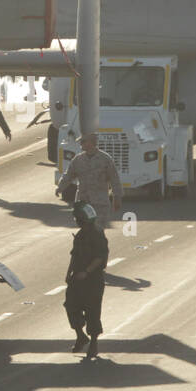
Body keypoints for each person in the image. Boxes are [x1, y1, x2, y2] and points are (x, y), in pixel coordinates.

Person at [65, 201, 109, 359]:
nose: (76, 221)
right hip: (77, 278)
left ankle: (94, 343)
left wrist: (86, 272)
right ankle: (80, 336)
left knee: (93, 311)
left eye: (77, 218)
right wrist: (69, 273)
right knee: (70, 305)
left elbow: (100, 257)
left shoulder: (97, 234)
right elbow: (74, 255)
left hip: (93, 280)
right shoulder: (80, 235)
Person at [57, 132, 123, 227]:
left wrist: (117, 197)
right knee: (84, 228)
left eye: (83, 141)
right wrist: (60, 188)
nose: (81, 144)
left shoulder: (105, 159)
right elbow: (68, 175)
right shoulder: (78, 160)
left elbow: (114, 179)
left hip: (100, 203)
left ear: (92, 142)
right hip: (83, 202)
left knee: (98, 228)